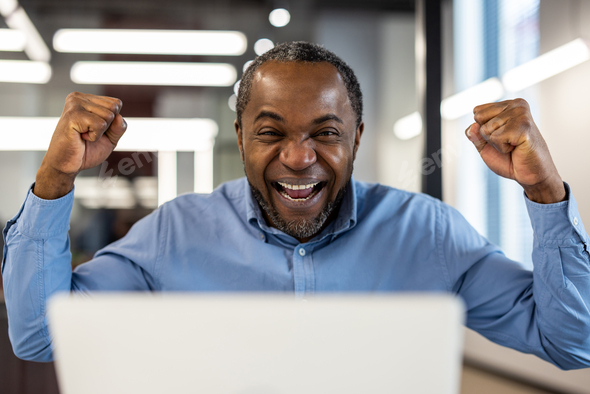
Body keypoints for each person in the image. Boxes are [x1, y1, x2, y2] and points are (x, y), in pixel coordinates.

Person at [2, 42, 590, 368]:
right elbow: (40, 338)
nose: (299, 157)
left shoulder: (429, 233)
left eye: (326, 133)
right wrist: (53, 182)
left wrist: (545, 194)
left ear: (356, 138)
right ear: (240, 138)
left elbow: (573, 342)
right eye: (270, 132)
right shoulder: (174, 234)